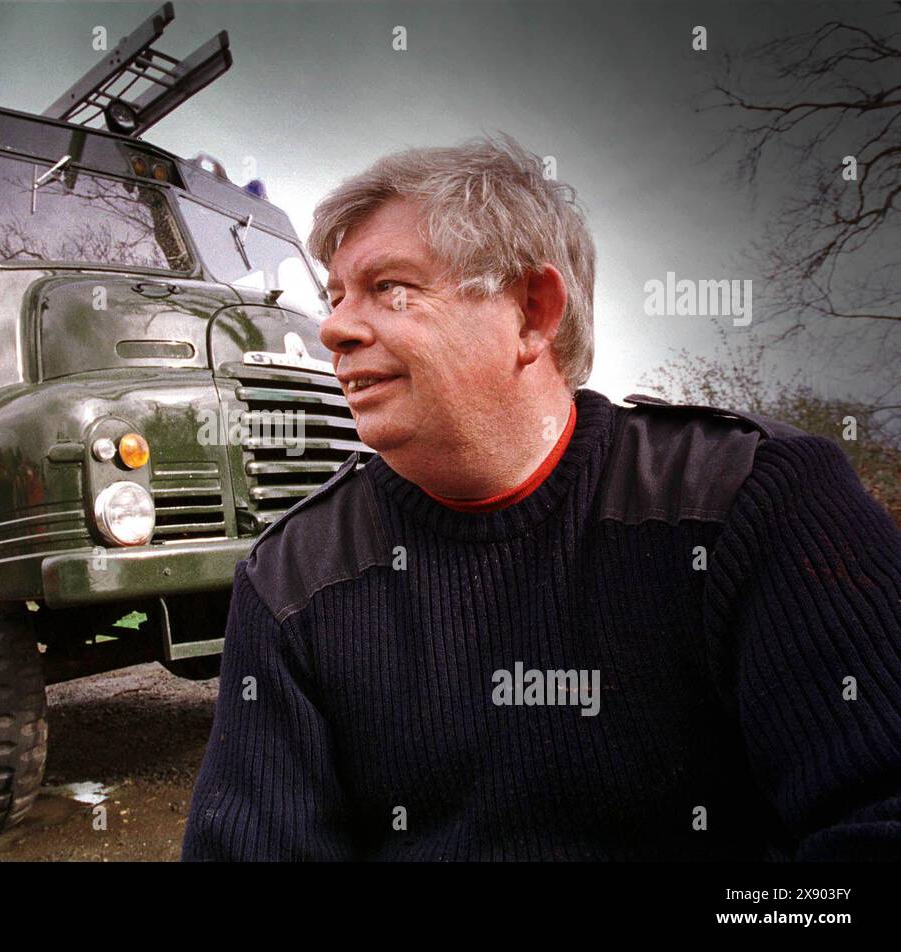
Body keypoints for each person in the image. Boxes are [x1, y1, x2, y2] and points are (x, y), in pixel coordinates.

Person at [181, 136, 901, 861]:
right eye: (333, 297)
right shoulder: (291, 579)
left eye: (389, 288)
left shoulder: (753, 498)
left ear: (532, 312)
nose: (333, 328)